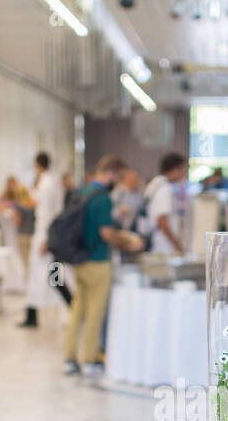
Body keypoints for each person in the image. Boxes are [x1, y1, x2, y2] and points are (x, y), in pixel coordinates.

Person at [64, 155, 138, 376]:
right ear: (111, 173)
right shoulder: (103, 198)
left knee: (78, 311)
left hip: (78, 259)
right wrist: (128, 241)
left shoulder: (81, 192)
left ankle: (69, 358)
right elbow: (106, 233)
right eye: (119, 176)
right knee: (96, 313)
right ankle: (89, 360)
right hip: (97, 261)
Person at [22, 151, 67, 328]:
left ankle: (70, 304)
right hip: (48, 234)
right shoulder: (50, 182)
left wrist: (47, 240)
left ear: (37, 165)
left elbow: (48, 213)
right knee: (49, 274)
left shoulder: (47, 184)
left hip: (46, 235)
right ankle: (32, 314)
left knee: (52, 275)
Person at [143, 152, 188, 255]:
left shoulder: (159, 185)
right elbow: (162, 220)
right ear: (174, 169)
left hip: (161, 242)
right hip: (163, 246)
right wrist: (176, 244)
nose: (183, 174)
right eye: (182, 169)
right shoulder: (164, 188)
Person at [111, 168, 143, 232]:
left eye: (136, 179)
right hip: (119, 227)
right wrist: (120, 211)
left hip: (134, 227)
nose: (135, 181)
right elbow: (110, 212)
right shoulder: (118, 192)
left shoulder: (139, 193)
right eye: (132, 179)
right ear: (126, 180)